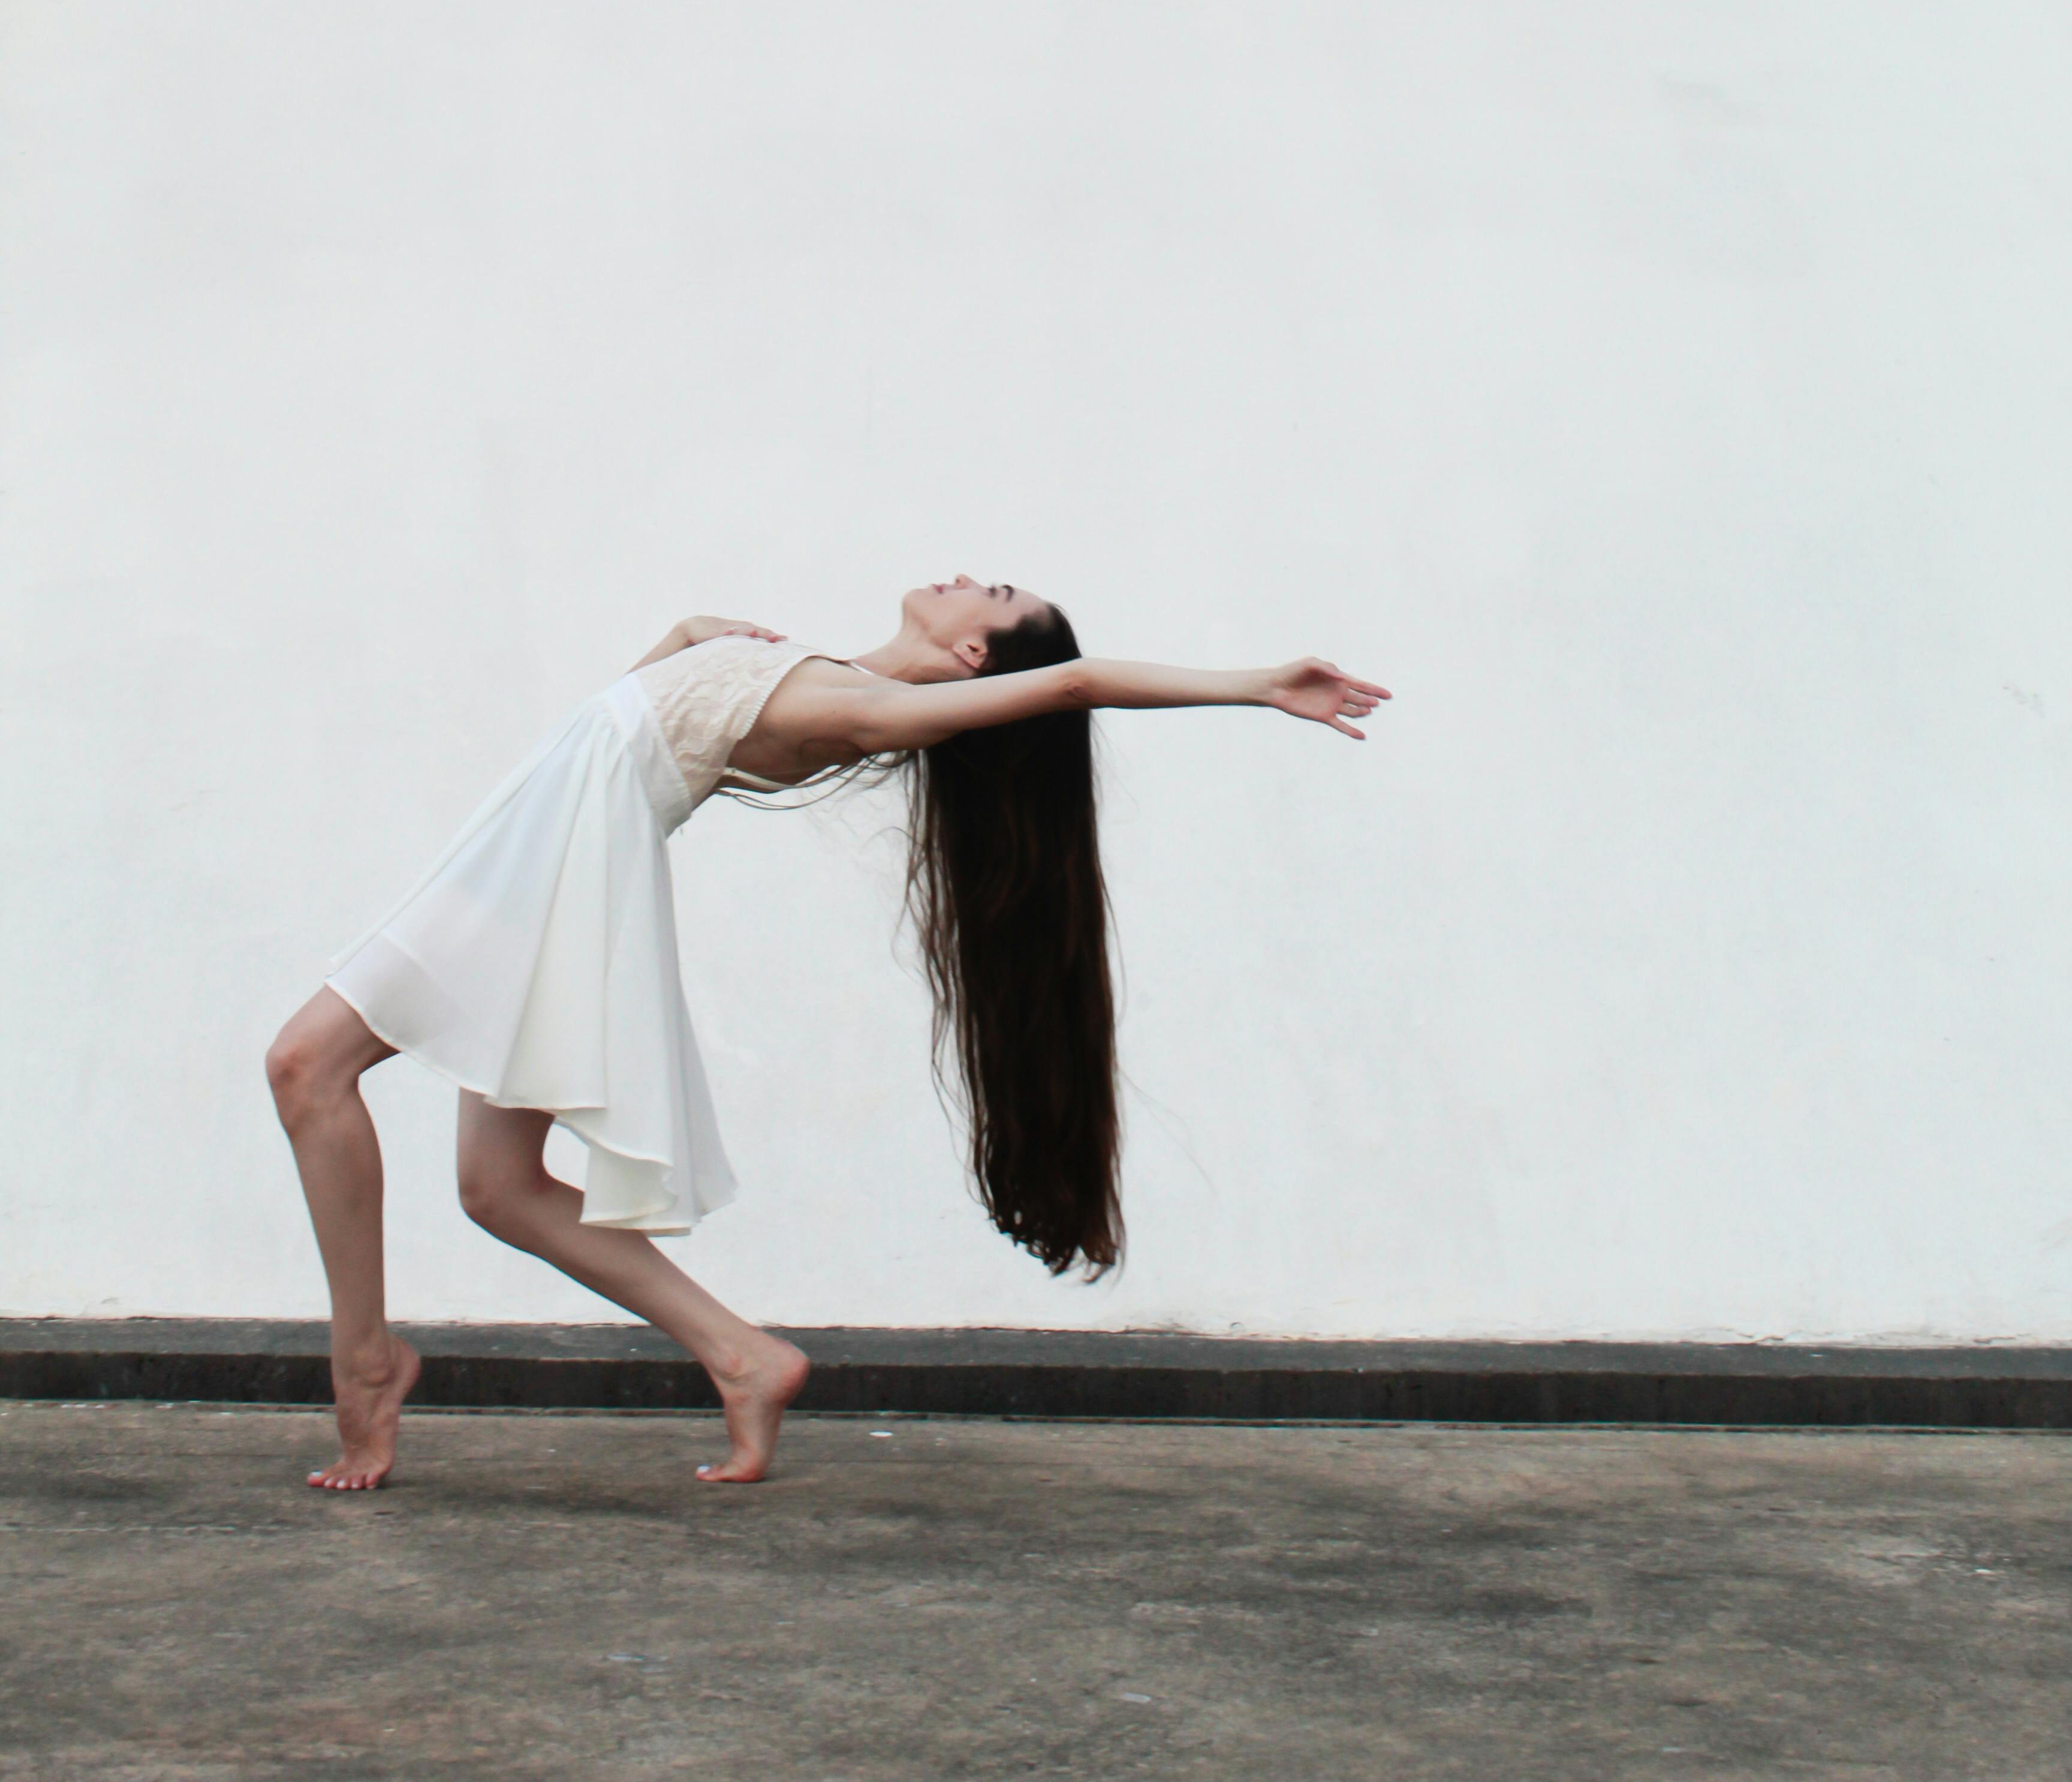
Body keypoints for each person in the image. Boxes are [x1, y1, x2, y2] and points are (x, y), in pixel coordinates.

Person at [265, 578, 1387, 1492]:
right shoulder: (834, 680)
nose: (961, 577)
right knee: (498, 1186)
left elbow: (1078, 682)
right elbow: (617, 733)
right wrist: (685, 637)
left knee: (306, 1066)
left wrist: (1257, 685)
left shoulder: (861, 712)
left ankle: (363, 1364)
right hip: (538, 863)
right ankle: (745, 1358)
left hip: (532, 879)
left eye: (990, 594)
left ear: (972, 662)